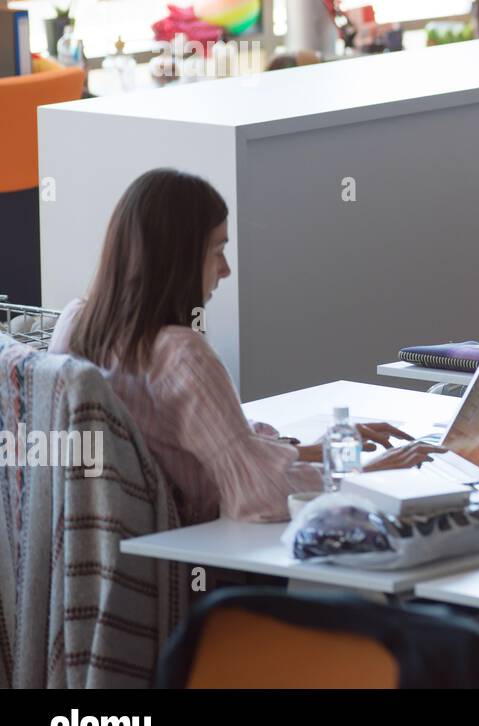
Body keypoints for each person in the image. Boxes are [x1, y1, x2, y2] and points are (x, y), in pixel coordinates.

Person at [50, 168, 441, 524]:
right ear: (177, 260)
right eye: (217, 251)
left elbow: (199, 447)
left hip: (131, 554)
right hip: (200, 560)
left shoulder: (75, 323)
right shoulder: (181, 356)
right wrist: (367, 476)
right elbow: (258, 496)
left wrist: (306, 452)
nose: (225, 270)